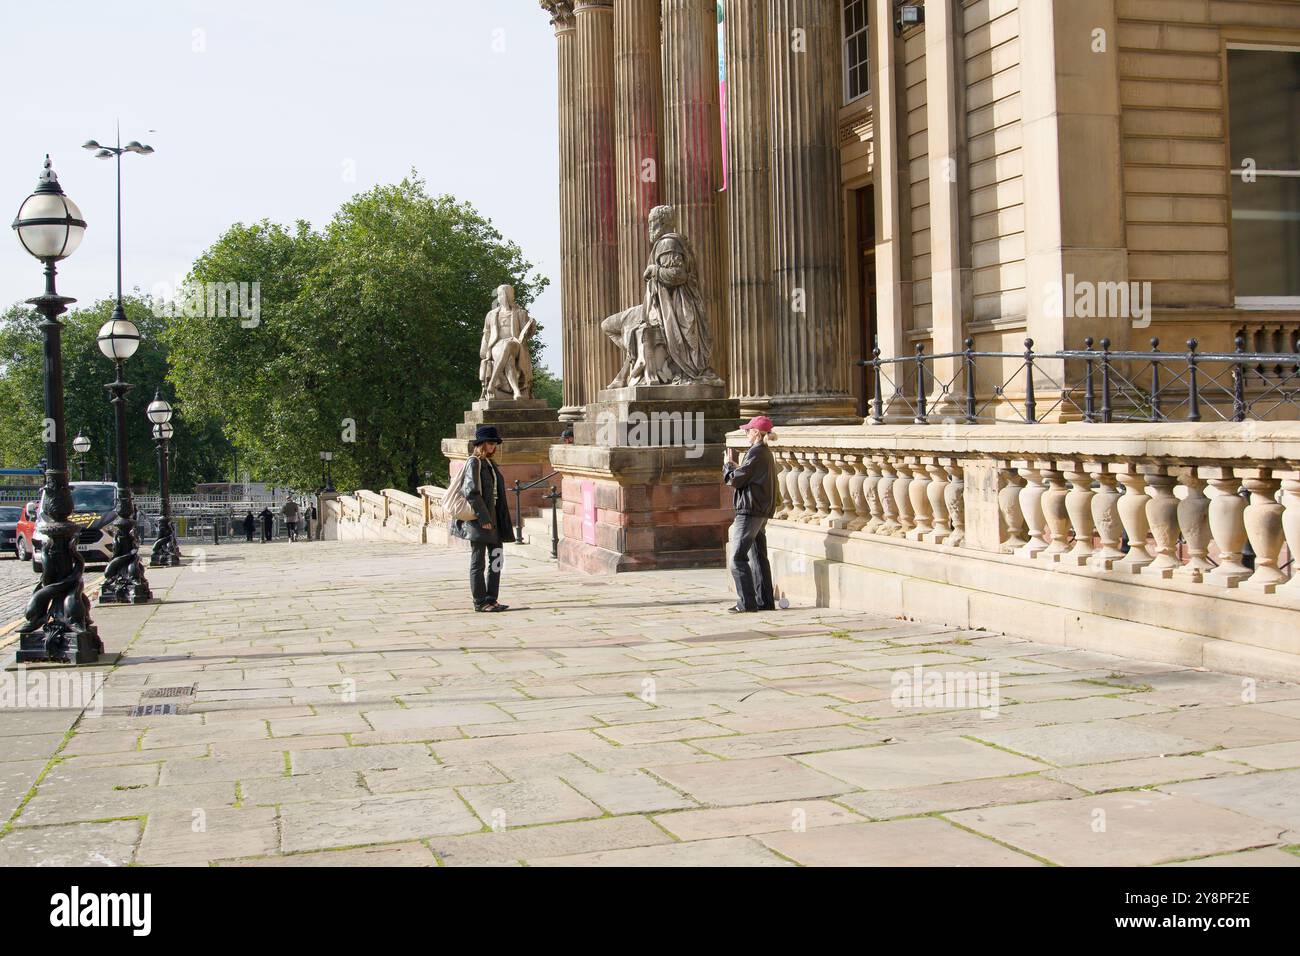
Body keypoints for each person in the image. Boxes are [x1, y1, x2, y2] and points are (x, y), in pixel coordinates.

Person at [451, 425, 516, 612]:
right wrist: (483, 517)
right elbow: (471, 492)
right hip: (479, 520)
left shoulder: (490, 463)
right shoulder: (474, 462)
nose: (493, 446)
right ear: (481, 444)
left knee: (497, 559)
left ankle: (491, 598)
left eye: (495, 443)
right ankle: (480, 602)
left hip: (495, 518)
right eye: (490, 443)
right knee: (478, 561)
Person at [723, 416, 778, 613]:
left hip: (749, 511)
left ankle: (746, 603)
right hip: (760, 510)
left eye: (748, 430)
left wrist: (728, 466)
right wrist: (738, 468)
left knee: (737, 558)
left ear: (756, 432)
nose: (746, 433)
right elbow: (750, 476)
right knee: (758, 556)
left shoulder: (756, 452)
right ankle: (765, 600)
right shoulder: (764, 452)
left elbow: (736, 480)